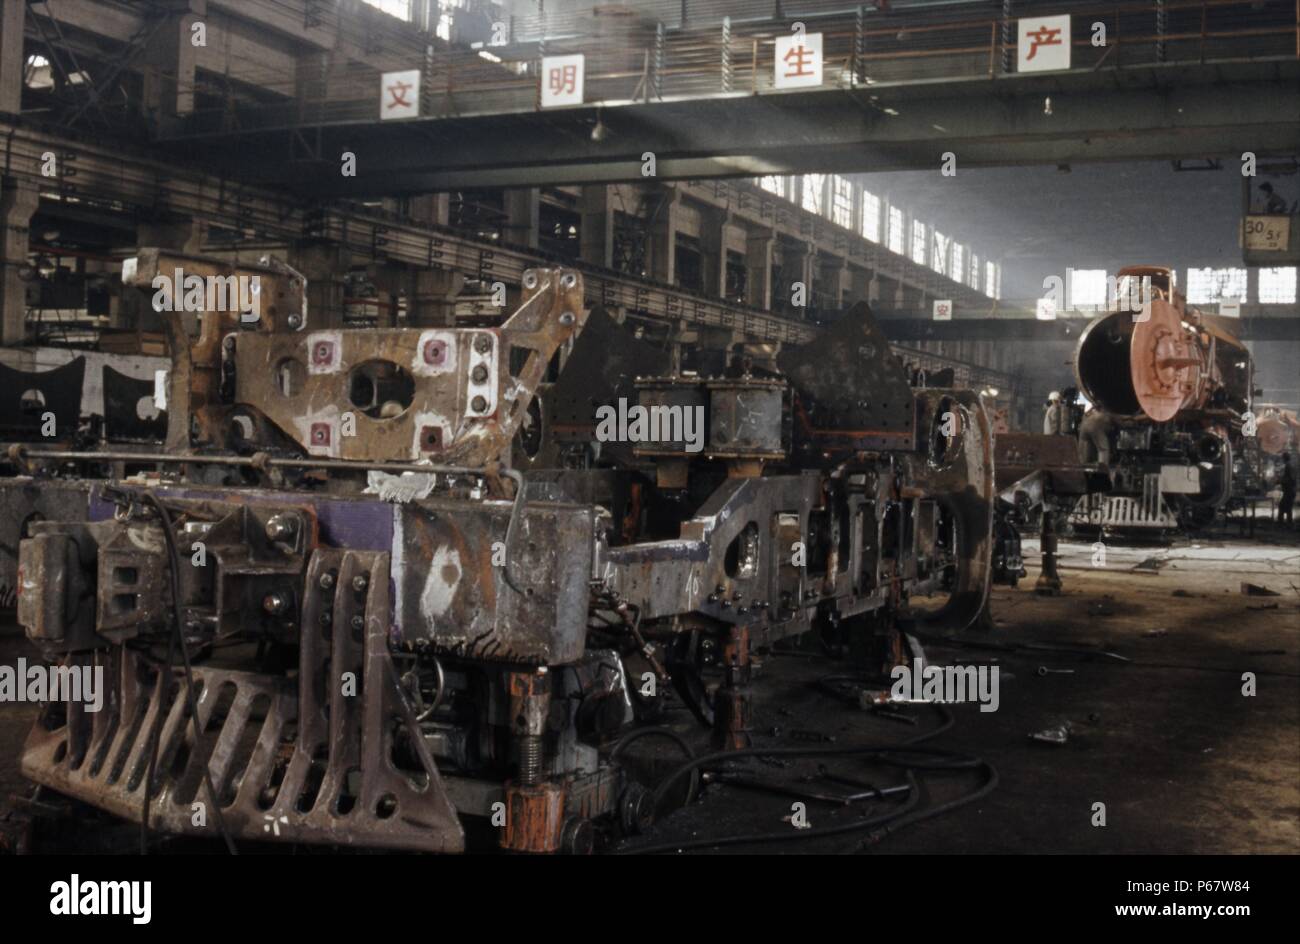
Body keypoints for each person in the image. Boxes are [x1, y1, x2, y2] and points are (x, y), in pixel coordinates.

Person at [1280, 454, 1296, 527]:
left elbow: (1290, 479)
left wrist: (1280, 481)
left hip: (1289, 491)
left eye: (1283, 458)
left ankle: (1284, 523)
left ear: (1284, 458)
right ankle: (1288, 522)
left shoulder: (1288, 466)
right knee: (1287, 507)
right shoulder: (1290, 465)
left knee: (1283, 506)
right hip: (1290, 490)